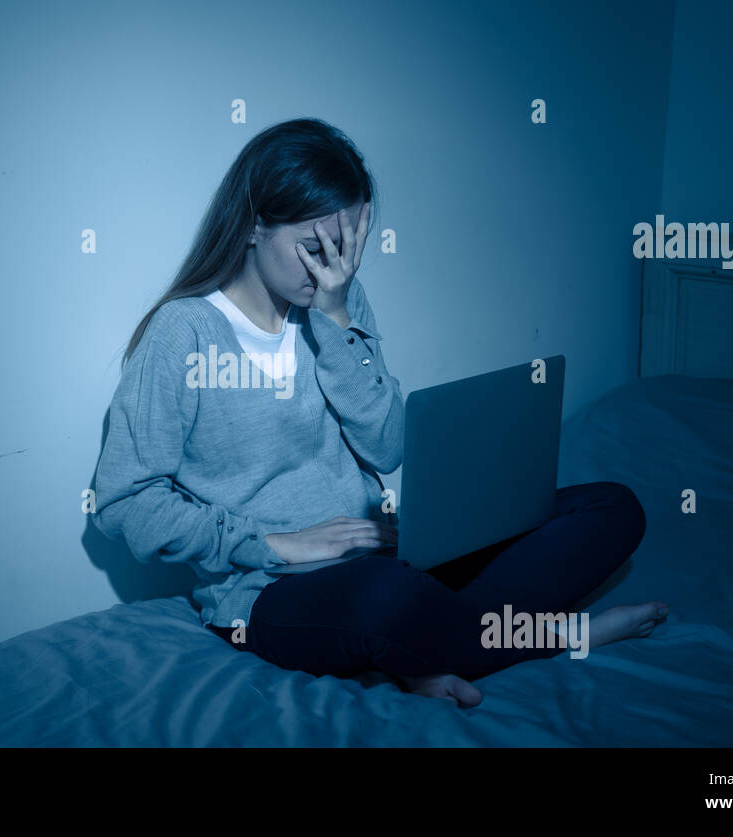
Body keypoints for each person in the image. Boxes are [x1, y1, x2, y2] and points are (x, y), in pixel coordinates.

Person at [92, 118, 667, 707]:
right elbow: (125, 502)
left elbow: (387, 447)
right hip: (270, 590)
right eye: (314, 250)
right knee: (385, 598)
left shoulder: (334, 297)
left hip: (388, 550)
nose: (330, 269)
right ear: (252, 226)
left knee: (612, 508)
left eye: (344, 250)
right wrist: (275, 542)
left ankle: (431, 643)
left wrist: (338, 319)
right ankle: (554, 635)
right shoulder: (182, 333)